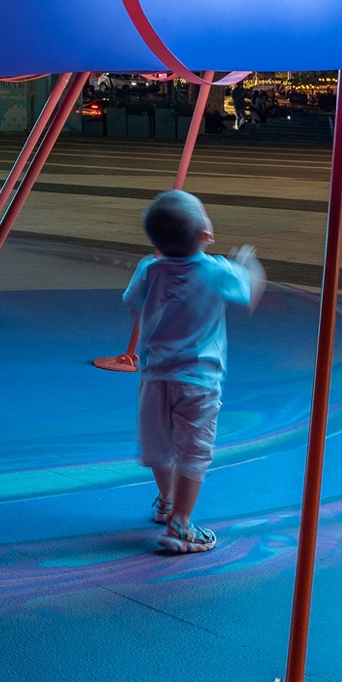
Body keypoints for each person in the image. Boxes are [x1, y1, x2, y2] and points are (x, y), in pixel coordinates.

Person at [123, 189, 265, 555]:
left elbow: (131, 302)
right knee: (193, 451)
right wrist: (249, 265)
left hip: (155, 377)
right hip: (199, 381)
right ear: (205, 234)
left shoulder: (148, 269)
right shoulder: (217, 271)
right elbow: (249, 295)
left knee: (159, 444)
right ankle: (181, 525)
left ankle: (167, 501)